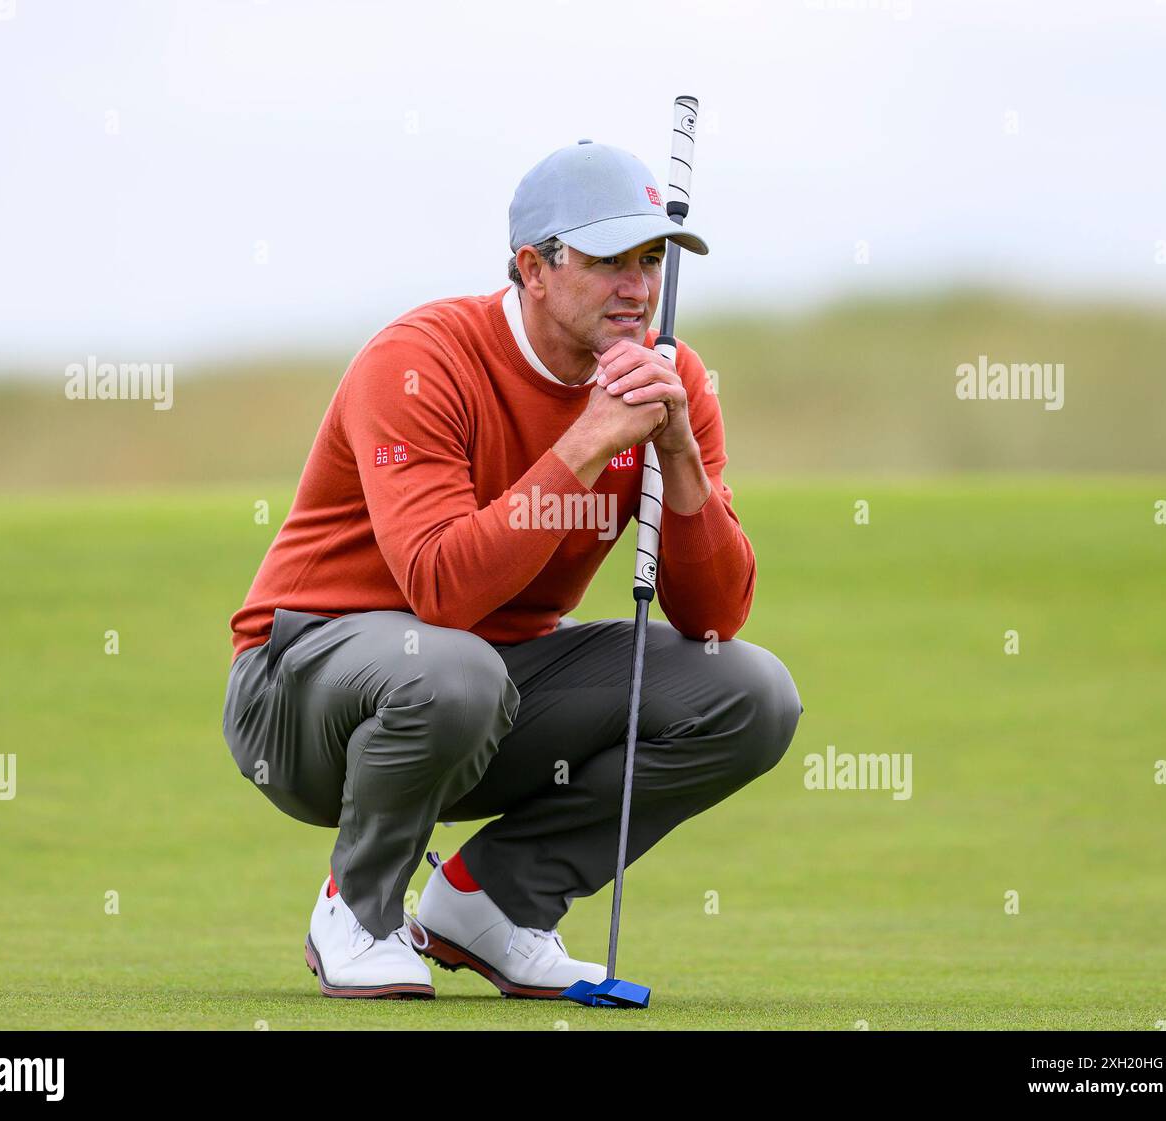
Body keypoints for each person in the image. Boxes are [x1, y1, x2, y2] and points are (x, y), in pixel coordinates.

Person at [222, 139, 802, 1000]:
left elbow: (715, 617)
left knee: (751, 693)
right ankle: (359, 911)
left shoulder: (670, 380)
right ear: (534, 266)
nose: (638, 287)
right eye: (609, 261)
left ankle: (489, 905)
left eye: (650, 261)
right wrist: (588, 440)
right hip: (300, 692)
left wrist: (677, 455)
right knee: (452, 669)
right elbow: (442, 588)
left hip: (485, 691)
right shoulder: (419, 361)